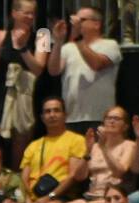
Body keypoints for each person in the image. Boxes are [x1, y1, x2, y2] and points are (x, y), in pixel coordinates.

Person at [0, 0, 47, 165]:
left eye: (33, 13)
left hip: (26, 100)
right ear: (14, 13)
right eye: (26, 12)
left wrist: (23, 48)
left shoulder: (43, 35)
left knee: (22, 147)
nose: (30, 17)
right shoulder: (0, 35)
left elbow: (39, 69)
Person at [57, 108, 139, 203]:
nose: (111, 121)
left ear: (125, 126)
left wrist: (104, 148)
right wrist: (87, 152)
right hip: (91, 197)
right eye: (108, 118)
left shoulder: (129, 145)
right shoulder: (95, 147)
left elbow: (120, 171)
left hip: (114, 198)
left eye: (116, 119)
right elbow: (79, 176)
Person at [46, 7, 121, 136]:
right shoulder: (68, 47)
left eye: (82, 20)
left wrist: (78, 39)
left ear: (96, 24)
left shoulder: (110, 45)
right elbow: (53, 70)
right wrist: (58, 41)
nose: (76, 24)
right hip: (71, 118)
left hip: (100, 117)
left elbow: (97, 64)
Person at [21, 98, 88, 203]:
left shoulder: (76, 140)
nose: (52, 115)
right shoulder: (33, 145)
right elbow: (24, 177)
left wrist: (50, 196)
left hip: (61, 195)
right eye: (47, 111)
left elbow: (73, 176)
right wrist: (27, 198)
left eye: (56, 110)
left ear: (65, 115)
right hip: (32, 197)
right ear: (42, 117)